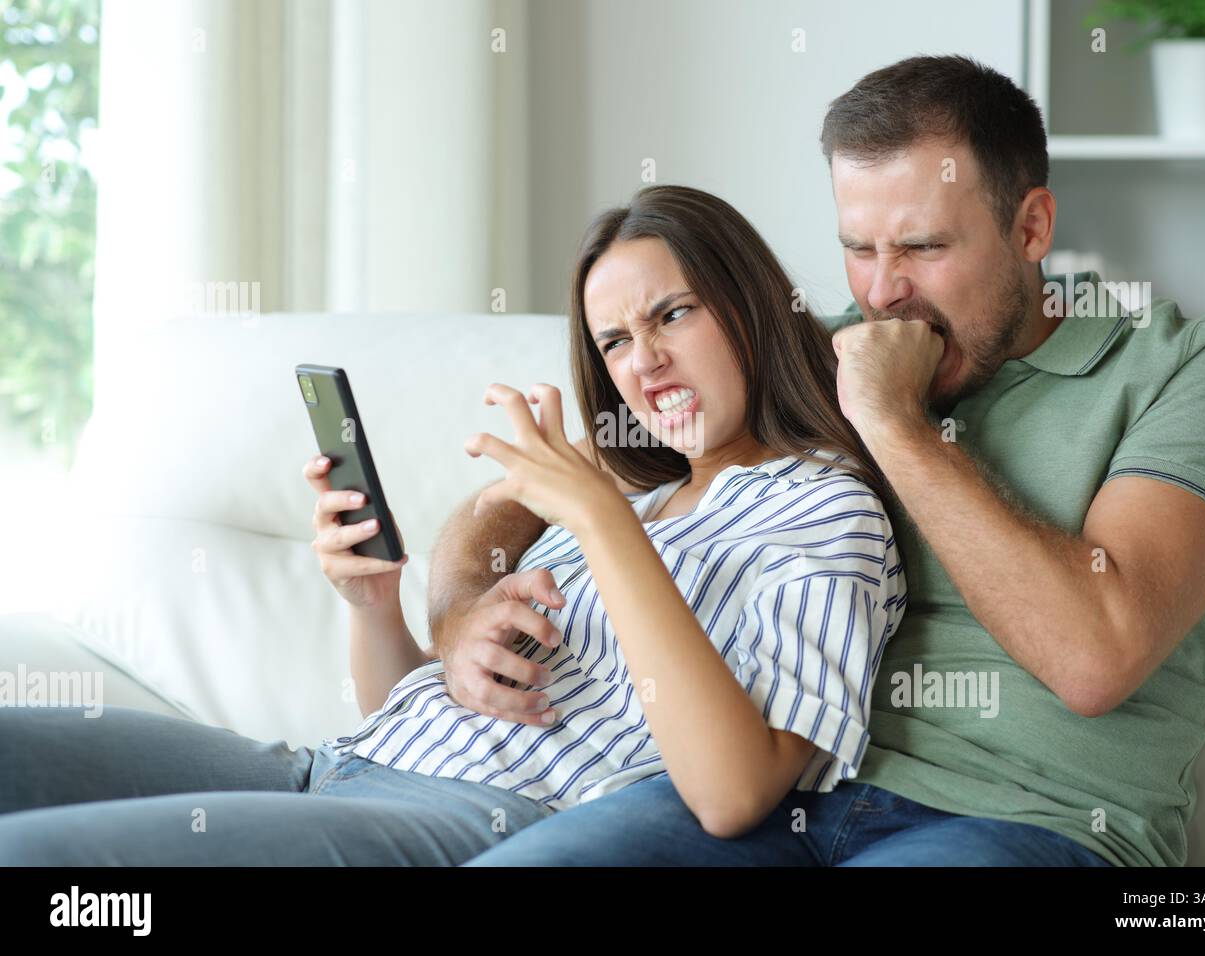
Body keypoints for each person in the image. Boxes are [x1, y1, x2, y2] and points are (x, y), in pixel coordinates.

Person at [443, 56, 1205, 867]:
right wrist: (458, 615)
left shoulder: (1189, 368)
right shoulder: (826, 349)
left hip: (1029, 821)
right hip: (779, 799)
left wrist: (892, 421)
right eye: (859, 248)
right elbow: (559, 477)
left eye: (921, 247)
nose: (882, 292)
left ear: (1032, 227)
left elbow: (1095, 658)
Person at [0, 184, 905, 865]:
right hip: (324, 767)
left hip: (468, 817)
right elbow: (419, 704)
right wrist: (373, 606)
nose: (646, 362)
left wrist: (594, 518)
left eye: (673, 314)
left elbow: (738, 791)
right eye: (615, 342)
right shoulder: (636, 502)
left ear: (749, 307)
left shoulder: (825, 506)